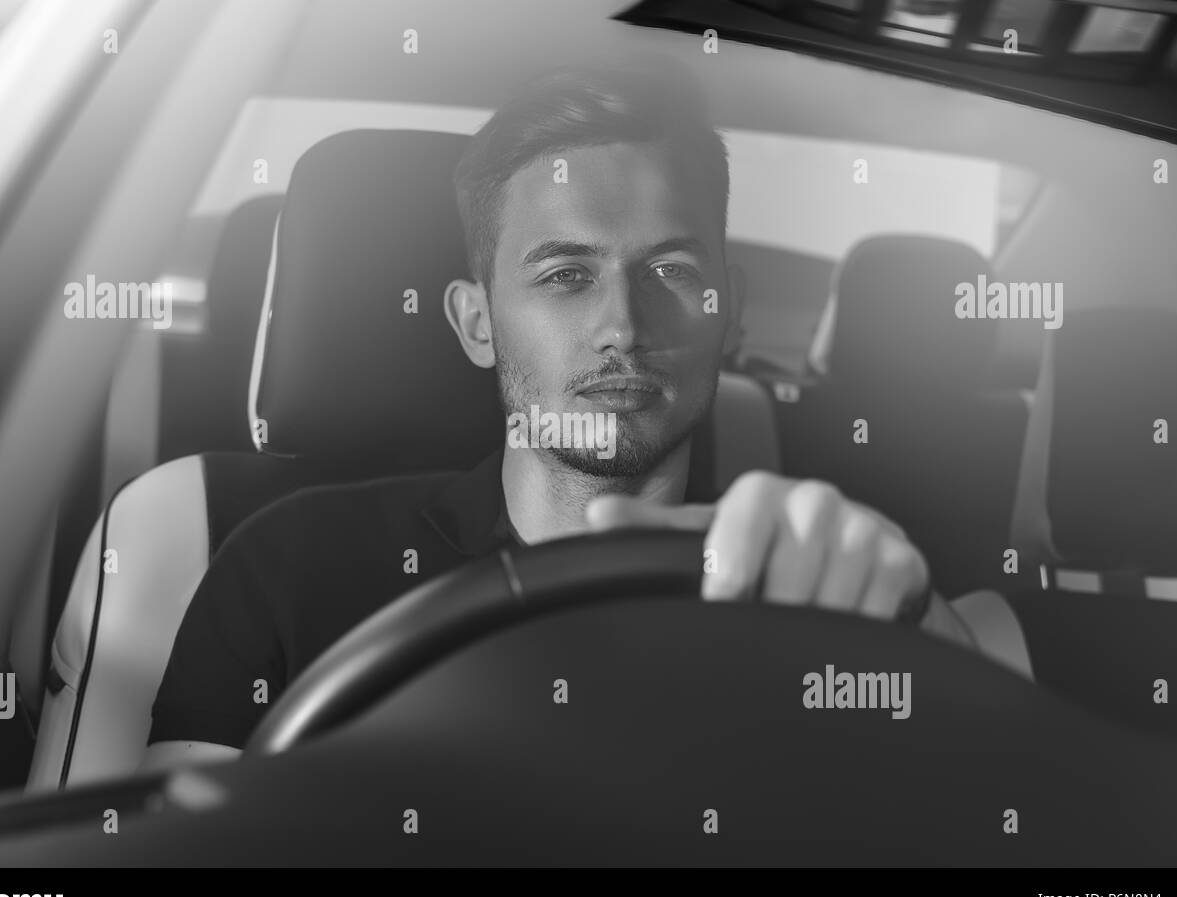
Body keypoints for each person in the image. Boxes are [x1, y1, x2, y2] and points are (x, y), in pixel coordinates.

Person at [141, 62, 981, 771]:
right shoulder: (288, 569)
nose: (623, 324)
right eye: (566, 275)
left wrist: (924, 641)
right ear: (477, 323)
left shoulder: (817, 591)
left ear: (730, 314)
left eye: (672, 270)